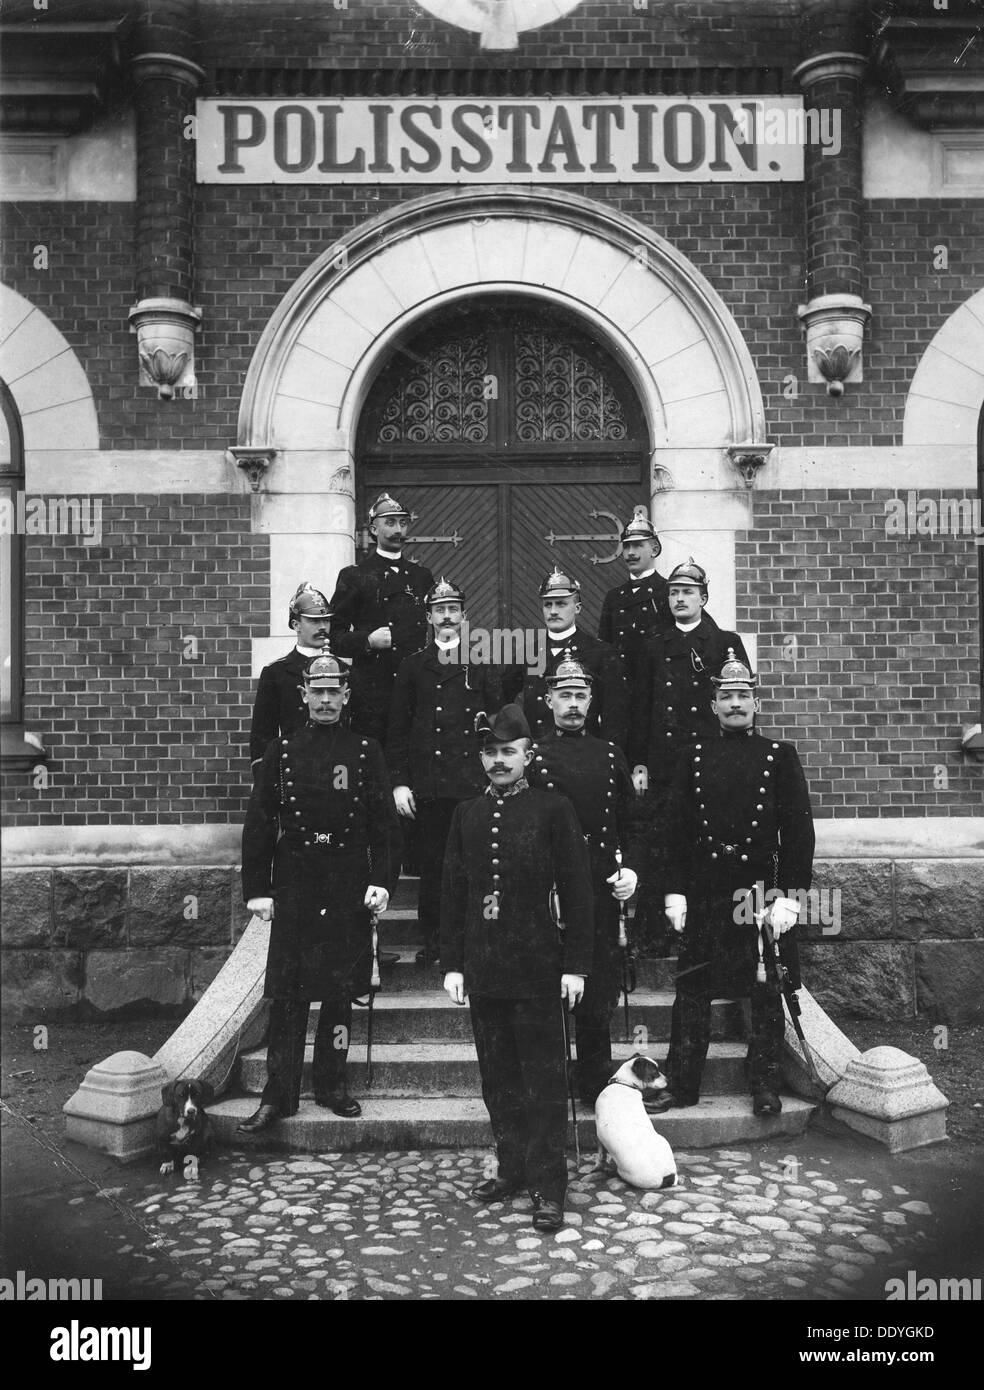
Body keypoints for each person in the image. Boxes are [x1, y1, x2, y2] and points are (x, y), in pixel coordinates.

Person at [440, 704, 593, 1232]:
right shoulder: (466, 814)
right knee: (497, 1080)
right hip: (485, 969)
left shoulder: (554, 810)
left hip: (538, 969)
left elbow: (577, 891)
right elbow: (454, 892)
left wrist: (576, 966)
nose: (499, 761)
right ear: (481, 758)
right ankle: (510, 1167)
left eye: (509, 751)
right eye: (491, 752)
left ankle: (549, 1187)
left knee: (544, 1083)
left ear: (529, 755)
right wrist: (454, 963)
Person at [238, 651, 401, 1132]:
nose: (326, 700)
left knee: (338, 993)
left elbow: (385, 827)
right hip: (296, 881)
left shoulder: (366, 750)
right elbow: (260, 823)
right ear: (304, 695)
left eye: (335, 692)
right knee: (288, 994)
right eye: (318, 691)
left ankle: (332, 1085)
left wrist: (381, 882)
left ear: (346, 696)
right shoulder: (281, 752)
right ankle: (279, 1094)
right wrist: (258, 889)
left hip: (347, 879)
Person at [651, 650, 816, 1118]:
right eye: (727, 696)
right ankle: (681, 1084)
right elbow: (674, 830)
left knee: (766, 990)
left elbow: (799, 833)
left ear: (756, 703)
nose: (736, 704)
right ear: (713, 705)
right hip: (705, 890)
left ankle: (764, 1084)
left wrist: (791, 897)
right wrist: (674, 891)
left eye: (744, 695)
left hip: (760, 893)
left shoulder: (779, 757)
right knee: (692, 991)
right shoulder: (693, 757)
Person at [527, 656, 639, 1105]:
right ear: (548, 699)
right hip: (547, 889)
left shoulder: (610, 753)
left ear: (591, 701)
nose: (572, 705)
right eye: (564, 696)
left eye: (580, 696)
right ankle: (550, 1087)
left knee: (596, 991)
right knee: (547, 989)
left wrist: (632, 869)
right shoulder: (531, 755)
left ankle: (594, 1082)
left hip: (598, 886)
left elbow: (632, 823)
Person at [626, 558, 750, 942]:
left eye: (687, 592)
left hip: (711, 759)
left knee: (708, 843)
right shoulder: (654, 645)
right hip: (664, 764)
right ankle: (654, 935)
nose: (679, 599)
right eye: (674, 592)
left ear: (704, 598)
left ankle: (707, 931)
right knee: (661, 842)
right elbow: (641, 707)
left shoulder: (724, 643)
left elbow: (740, 706)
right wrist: (640, 763)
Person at [386, 576, 502, 966]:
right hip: (430, 787)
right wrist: (400, 782)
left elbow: (497, 726)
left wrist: (496, 777)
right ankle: (434, 945)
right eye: (440, 610)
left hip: (474, 785)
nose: (447, 617)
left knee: (477, 867)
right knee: (434, 869)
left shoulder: (482, 663)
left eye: (453, 610)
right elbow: (398, 729)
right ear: (430, 617)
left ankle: (476, 944)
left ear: (464, 616)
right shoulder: (413, 666)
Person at [328, 492, 434, 744]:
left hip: (415, 685)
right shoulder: (355, 575)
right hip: (373, 690)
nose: (398, 530)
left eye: (403, 523)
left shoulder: (421, 577)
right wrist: (367, 640)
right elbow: (333, 636)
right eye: (390, 523)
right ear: (373, 529)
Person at [513, 567, 627, 748]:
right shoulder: (529, 652)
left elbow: (613, 718)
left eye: (561, 604)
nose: (553, 611)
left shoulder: (600, 652)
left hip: (584, 752)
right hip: (538, 754)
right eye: (548, 604)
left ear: (577, 608)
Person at [248, 582, 332, 778]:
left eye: (326, 620)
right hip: (293, 771)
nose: (323, 627)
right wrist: (267, 782)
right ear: (296, 625)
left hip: (338, 772)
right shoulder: (276, 672)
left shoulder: (344, 670)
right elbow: (262, 735)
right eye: (314, 621)